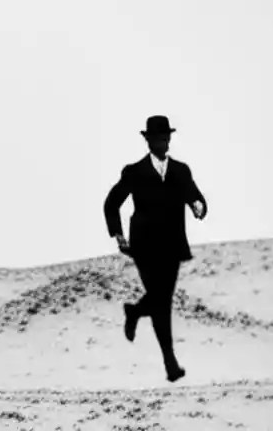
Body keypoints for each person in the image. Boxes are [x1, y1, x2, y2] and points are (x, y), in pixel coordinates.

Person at [103, 115, 208, 383]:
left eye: (167, 137)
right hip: (145, 247)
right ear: (148, 140)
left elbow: (195, 196)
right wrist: (119, 236)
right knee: (161, 300)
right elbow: (111, 203)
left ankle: (136, 311)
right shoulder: (134, 172)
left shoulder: (181, 171)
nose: (165, 142)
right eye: (159, 138)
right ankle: (170, 362)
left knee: (161, 300)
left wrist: (198, 207)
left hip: (172, 246)